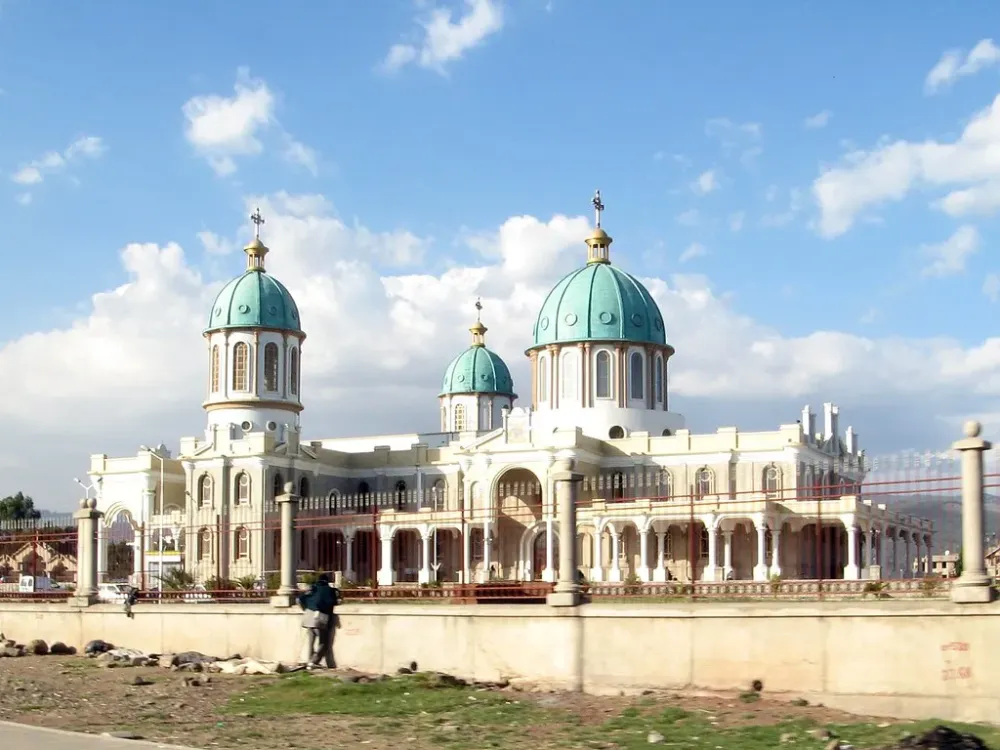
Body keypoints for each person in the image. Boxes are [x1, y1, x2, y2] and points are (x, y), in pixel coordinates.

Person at [297, 574, 340, 669]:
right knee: (323, 643)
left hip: (308, 616)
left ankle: (309, 661)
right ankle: (313, 662)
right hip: (319, 617)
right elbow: (334, 601)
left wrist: (305, 609)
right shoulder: (329, 590)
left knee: (311, 642)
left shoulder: (313, 588)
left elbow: (299, 599)